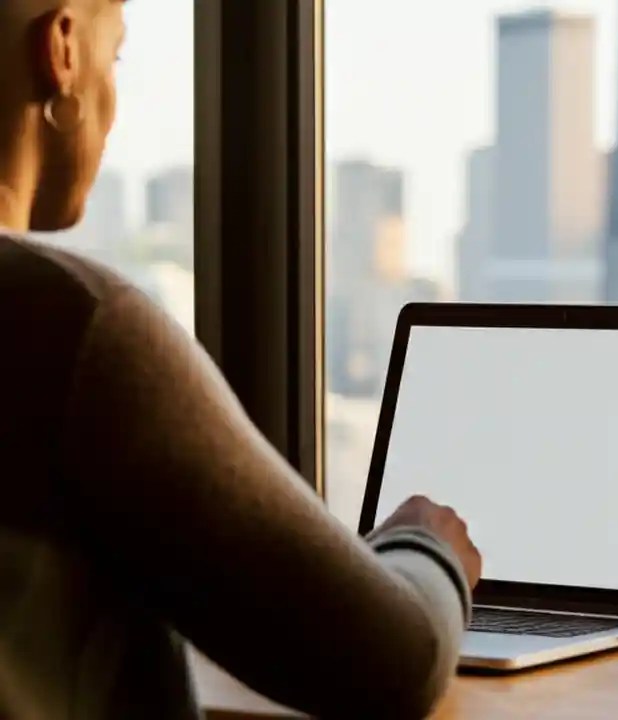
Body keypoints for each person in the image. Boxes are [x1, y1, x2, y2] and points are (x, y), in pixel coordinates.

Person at [0, 1, 482, 718]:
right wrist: (427, 546)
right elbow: (394, 660)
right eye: (118, 55)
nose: (114, 96)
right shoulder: (74, 328)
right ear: (62, 49)